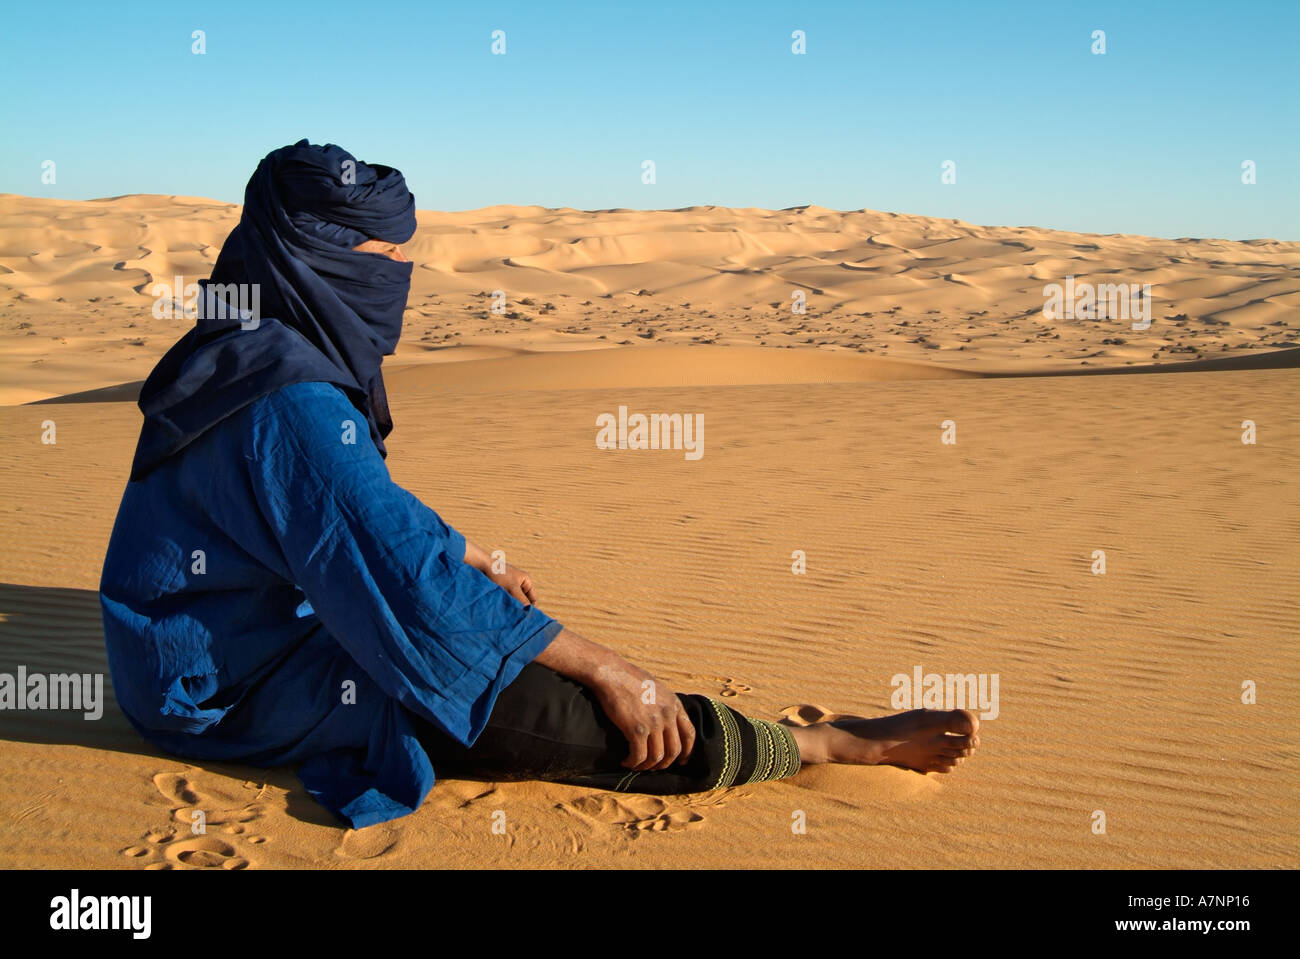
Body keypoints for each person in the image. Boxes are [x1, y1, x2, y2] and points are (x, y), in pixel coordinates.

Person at [99, 141, 979, 829]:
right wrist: (611, 669)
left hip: (198, 642)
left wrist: (464, 550)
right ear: (313, 258)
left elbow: (342, 515)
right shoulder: (288, 396)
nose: (394, 276)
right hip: (221, 688)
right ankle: (823, 742)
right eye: (379, 254)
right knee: (531, 701)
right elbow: (398, 571)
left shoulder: (240, 343)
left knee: (475, 636)